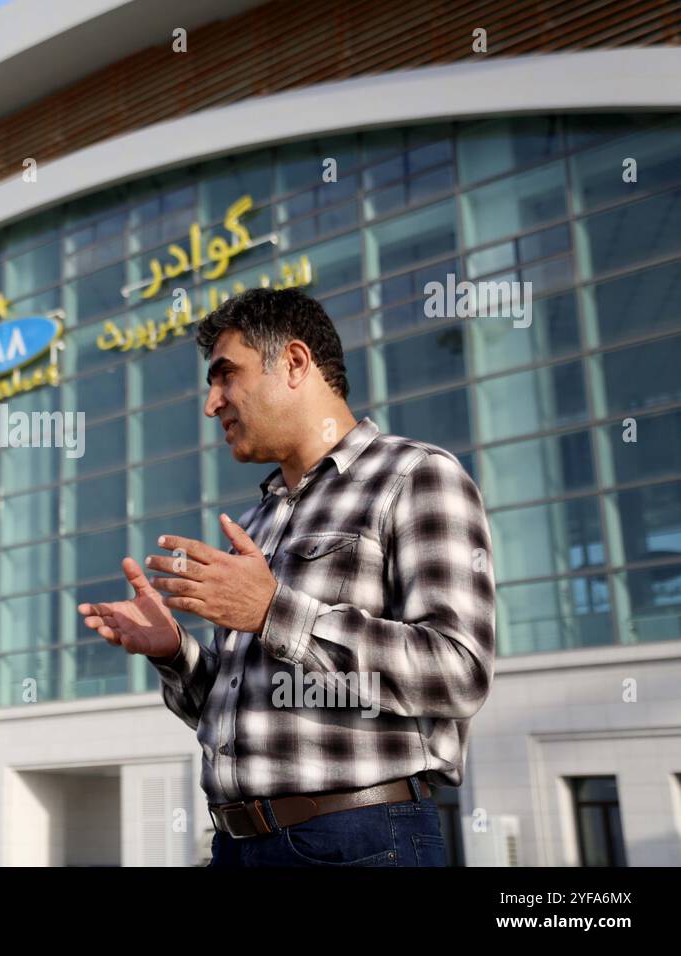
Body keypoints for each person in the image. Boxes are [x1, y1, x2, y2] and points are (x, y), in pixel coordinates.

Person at [78, 288, 496, 867]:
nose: (211, 403)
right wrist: (175, 653)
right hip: (238, 845)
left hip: (359, 840)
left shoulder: (415, 477)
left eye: (225, 376)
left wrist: (274, 611)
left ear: (295, 363)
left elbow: (459, 672)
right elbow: (238, 712)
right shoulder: (258, 521)